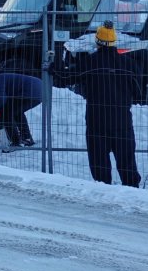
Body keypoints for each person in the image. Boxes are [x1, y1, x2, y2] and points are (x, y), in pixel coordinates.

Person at [50, 21, 143, 187]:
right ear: (114, 41)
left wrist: (53, 64)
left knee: (99, 160)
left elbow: (64, 78)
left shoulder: (90, 63)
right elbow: (138, 93)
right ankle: (132, 190)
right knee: (126, 160)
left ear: (97, 42)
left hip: (97, 121)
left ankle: (103, 189)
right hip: (122, 121)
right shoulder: (129, 64)